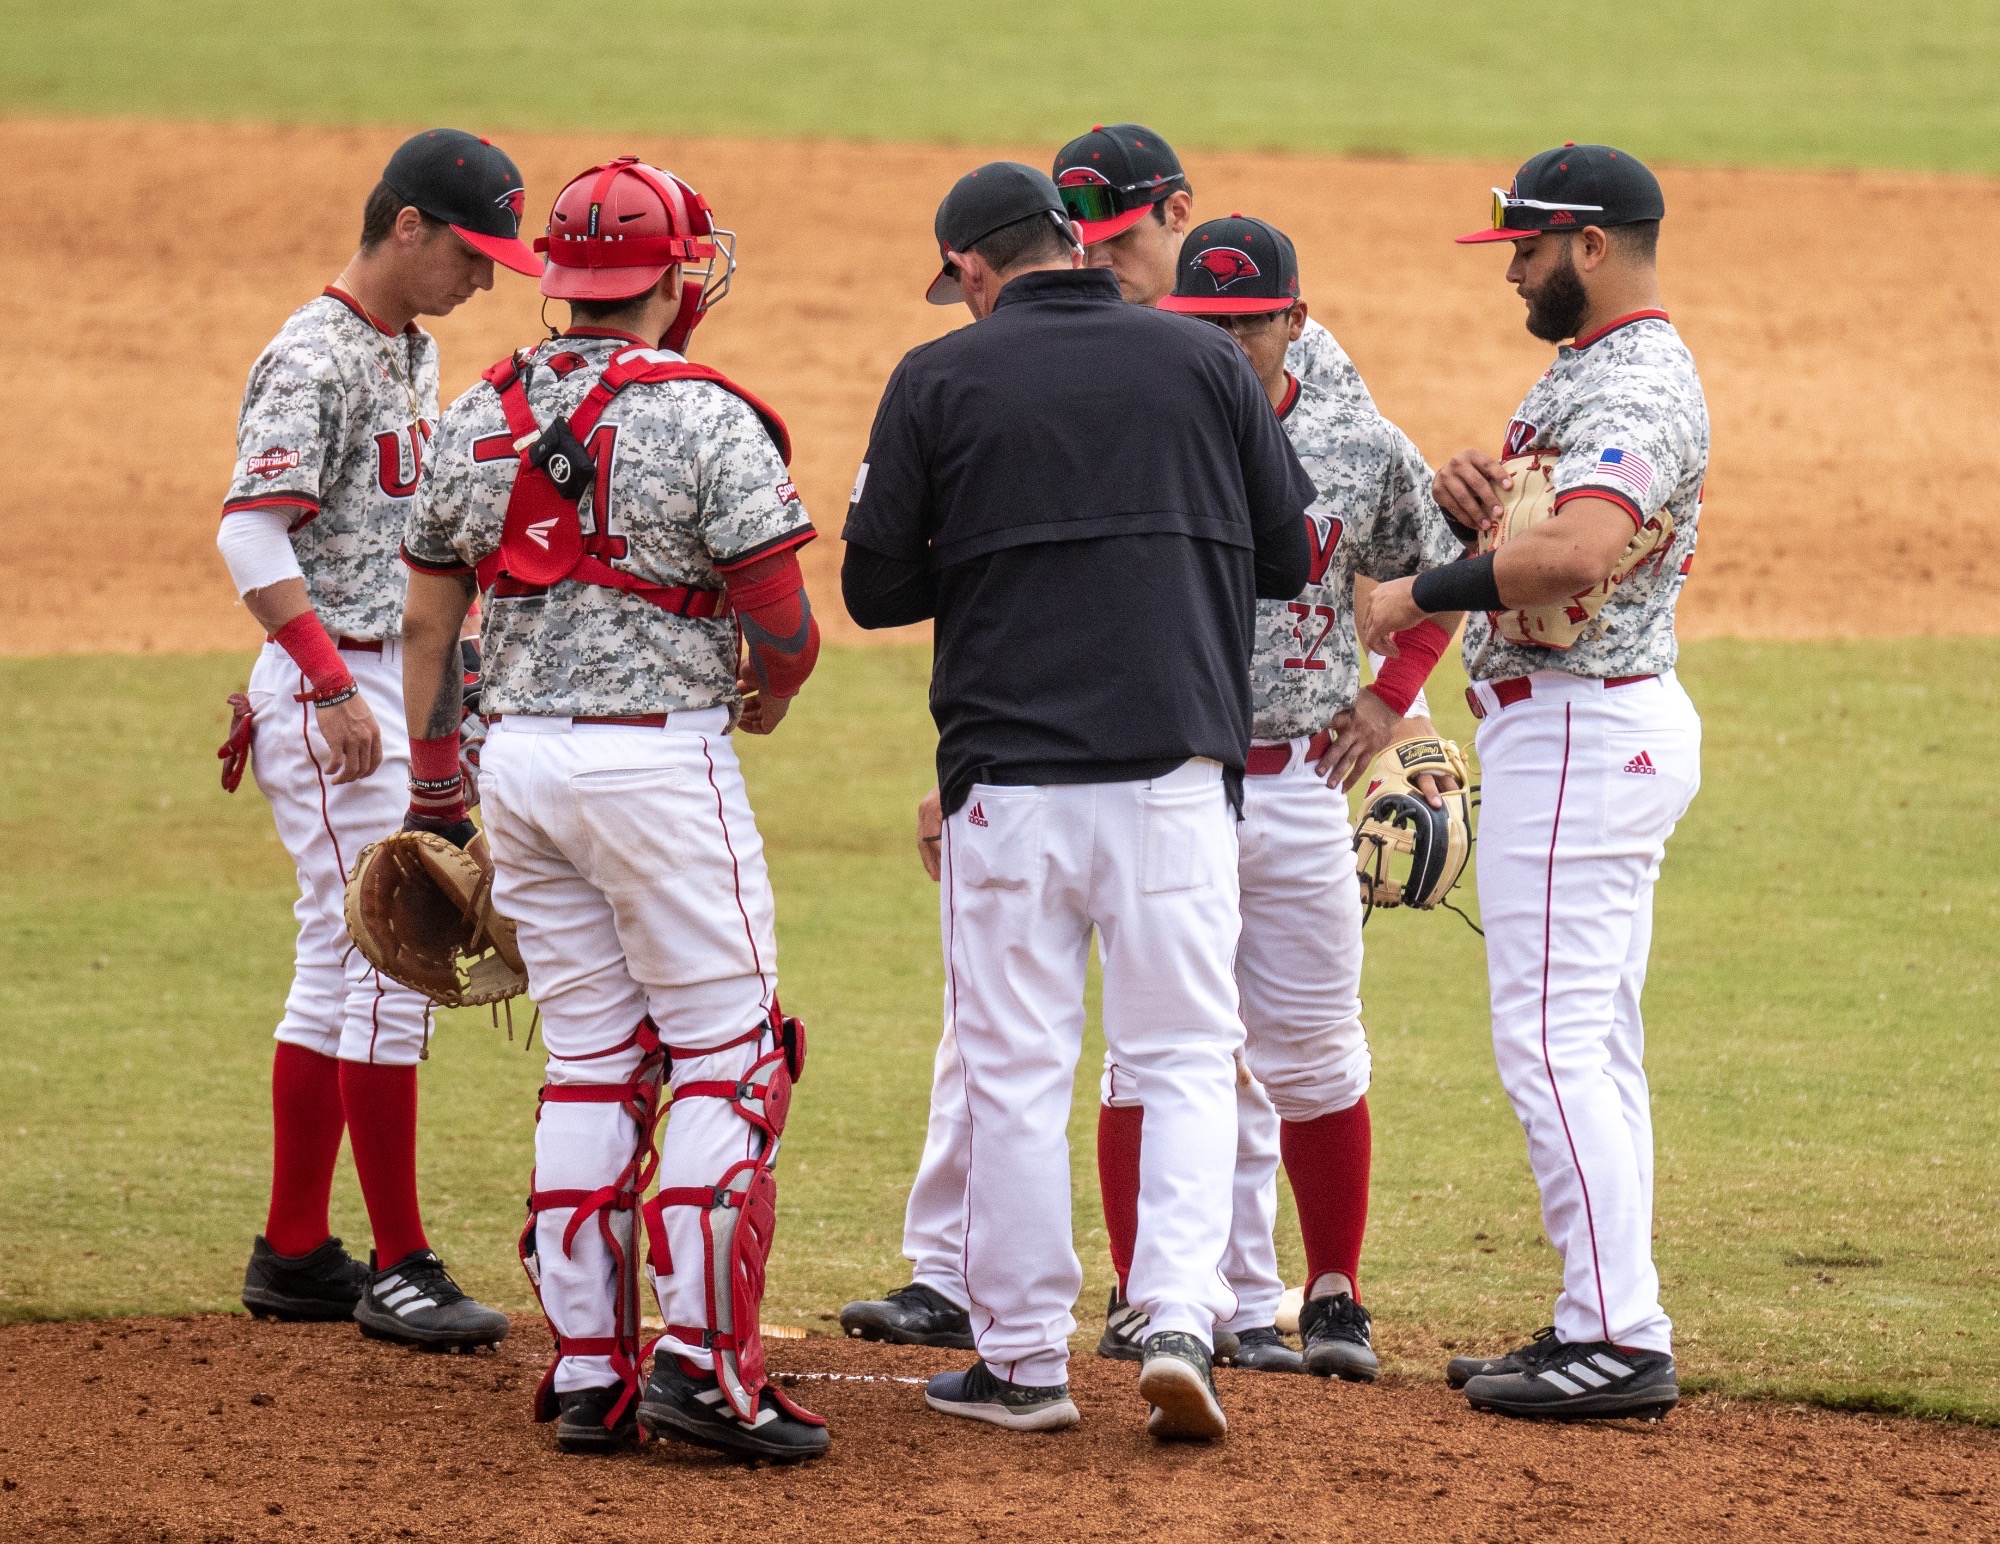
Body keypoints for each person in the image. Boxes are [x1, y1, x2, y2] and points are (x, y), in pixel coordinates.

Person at [842, 162, 1314, 1441]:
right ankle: (1175, 1317)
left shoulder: (939, 378)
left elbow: (873, 589)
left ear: (979, 271)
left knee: (1013, 1071)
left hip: (1008, 790)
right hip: (1175, 780)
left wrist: (998, 538)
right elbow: (1290, 552)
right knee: (1179, 1057)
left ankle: (1021, 1364)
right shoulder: (1204, 365)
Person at [399, 156, 828, 1460]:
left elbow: (427, 616)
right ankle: (704, 1369)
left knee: (591, 1051)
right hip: (658, 771)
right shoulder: (708, 419)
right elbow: (783, 617)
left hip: (518, 773)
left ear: (560, 282)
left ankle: (593, 1371)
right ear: (677, 274)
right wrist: (777, 686)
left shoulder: (478, 410)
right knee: (727, 1052)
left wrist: (437, 787)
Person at [1363, 144, 1705, 1420]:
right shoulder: (1584, 370)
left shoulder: (1639, 382)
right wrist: (1472, 512)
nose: (1511, 265)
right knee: (1590, 1043)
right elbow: (1537, 528)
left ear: (1594, 246)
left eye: (1528, 244)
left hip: (1579, 733)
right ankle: (1597, 1310)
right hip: (1572, 730)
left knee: (1553, 1043)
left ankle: (1617, 1335)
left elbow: (1573, 552)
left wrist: (1418, 588)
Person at [218, 128, 537, 1348]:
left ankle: (295, 1247)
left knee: (334, 963)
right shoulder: (312, 356)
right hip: (340, 693)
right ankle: (399, 1262)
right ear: (406, 225)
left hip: (376, 681)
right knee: (395, 965)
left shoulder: (407, 342)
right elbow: (251, 538)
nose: (488, 277)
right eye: (473, 251)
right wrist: (332, 690)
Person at [1050, 123, 1372, 409]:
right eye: (1081, 244)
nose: (1097, 262)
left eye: (1120, 238)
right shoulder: (1064, 348)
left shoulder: (1291, 344)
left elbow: (1360, 451)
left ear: (1177, 212)